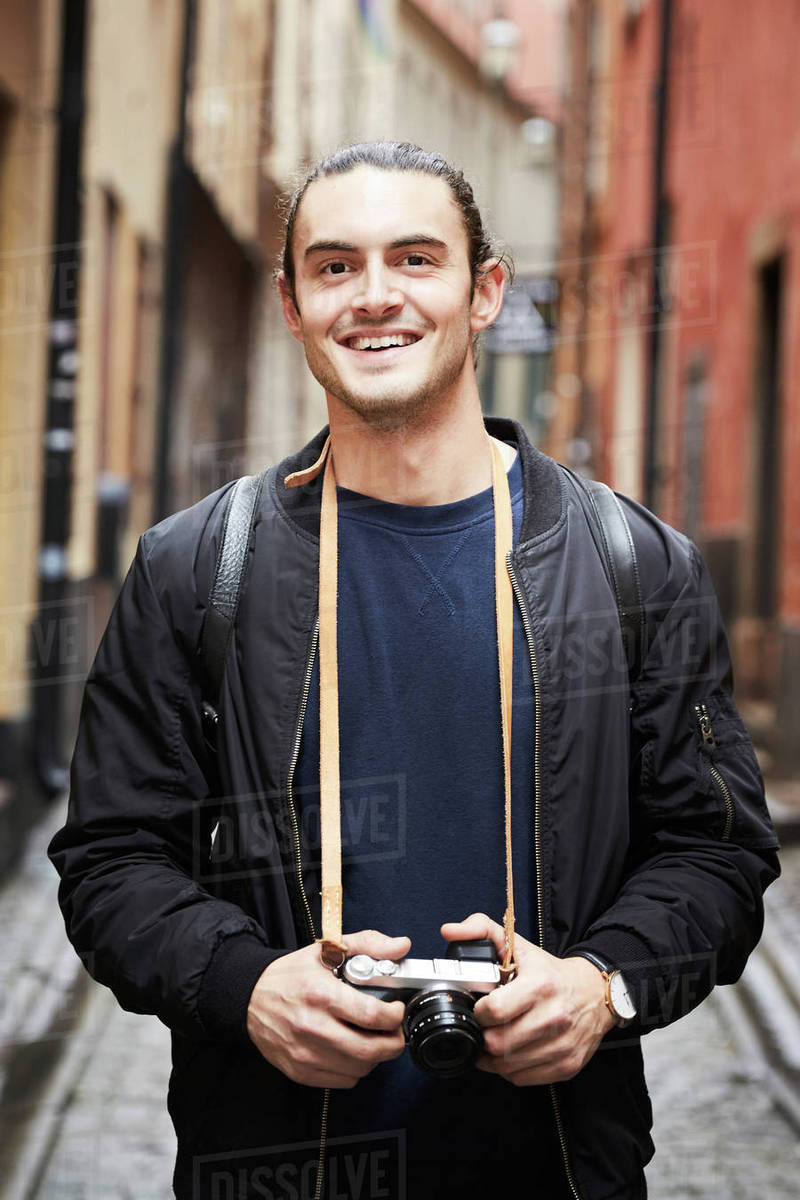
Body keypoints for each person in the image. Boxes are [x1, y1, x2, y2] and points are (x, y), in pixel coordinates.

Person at [49, 141, 780, 1200]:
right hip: (275, 1168)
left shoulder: (634, 567)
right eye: (334, 266)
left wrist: (604, 985)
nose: (374, 296)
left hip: (557, 1167)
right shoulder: (195, 571)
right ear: (292, 304)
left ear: (484, 293)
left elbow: (716, 853)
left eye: (415, 259)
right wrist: (243, 985)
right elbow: (111, 858)